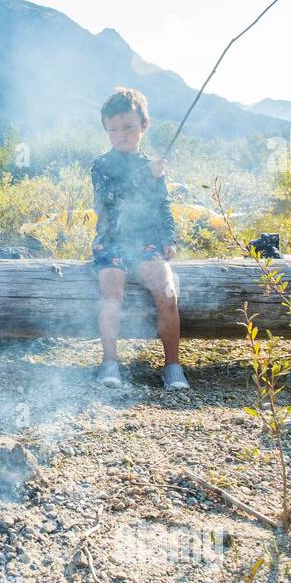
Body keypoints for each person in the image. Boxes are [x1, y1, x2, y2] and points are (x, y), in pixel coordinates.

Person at [91, 87, 189, 390]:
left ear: (144, 126)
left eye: (129, 127)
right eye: (114, 129)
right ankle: (110, 363)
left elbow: (163, 206)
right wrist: (146, 176)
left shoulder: (153, 168)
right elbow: (111, 199)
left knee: (167, 290)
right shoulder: (101, 165)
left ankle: (172, 365)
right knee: (112, 287)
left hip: (145, 241)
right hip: (112, 239)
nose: (121, 134)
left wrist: (168, 238)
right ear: (107, 130)